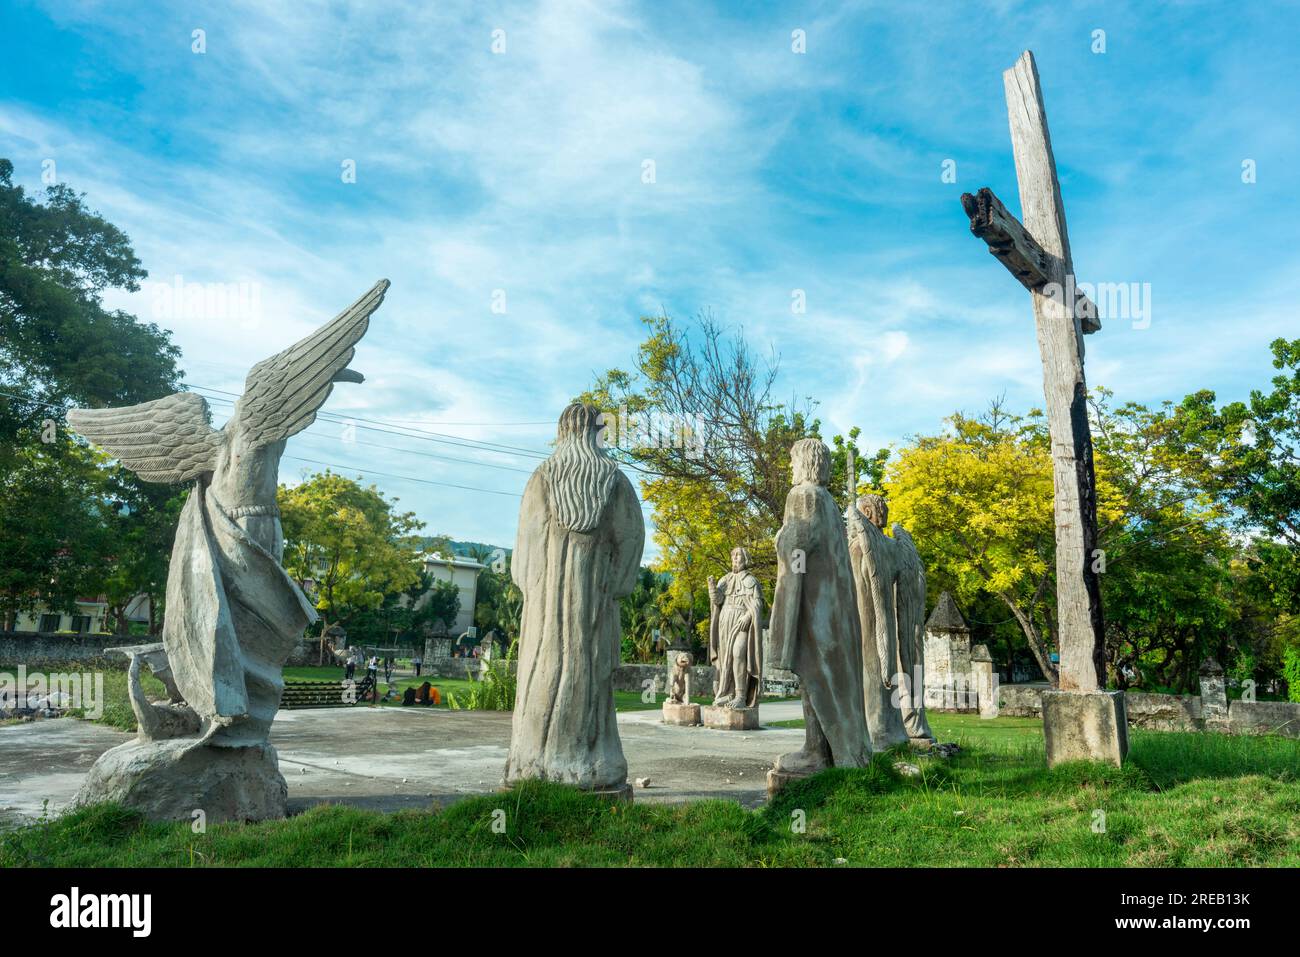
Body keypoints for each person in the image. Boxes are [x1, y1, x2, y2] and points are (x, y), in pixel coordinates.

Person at [504, 403, 644, 792]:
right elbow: (632, 541)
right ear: (599, 434)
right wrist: (611, 587)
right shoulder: (614, 480)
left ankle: (533, 761)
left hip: (544, 614)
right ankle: (593, 759)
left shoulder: (541, 478)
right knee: (593, 677)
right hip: (594, 607)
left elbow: (523, 555)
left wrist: (535, 588)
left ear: (562, 432)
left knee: (540, 674)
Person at [769, 438, 872, 776]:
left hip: (814, 604)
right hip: (832, 604)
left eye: (793, 461)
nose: (791, 468)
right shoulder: (829, 502)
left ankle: (816, 751)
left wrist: (781, 540)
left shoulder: (803, 496)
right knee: (819, 675)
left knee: (811, 673)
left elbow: (798, 544)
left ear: (805, 462)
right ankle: (821, 749)